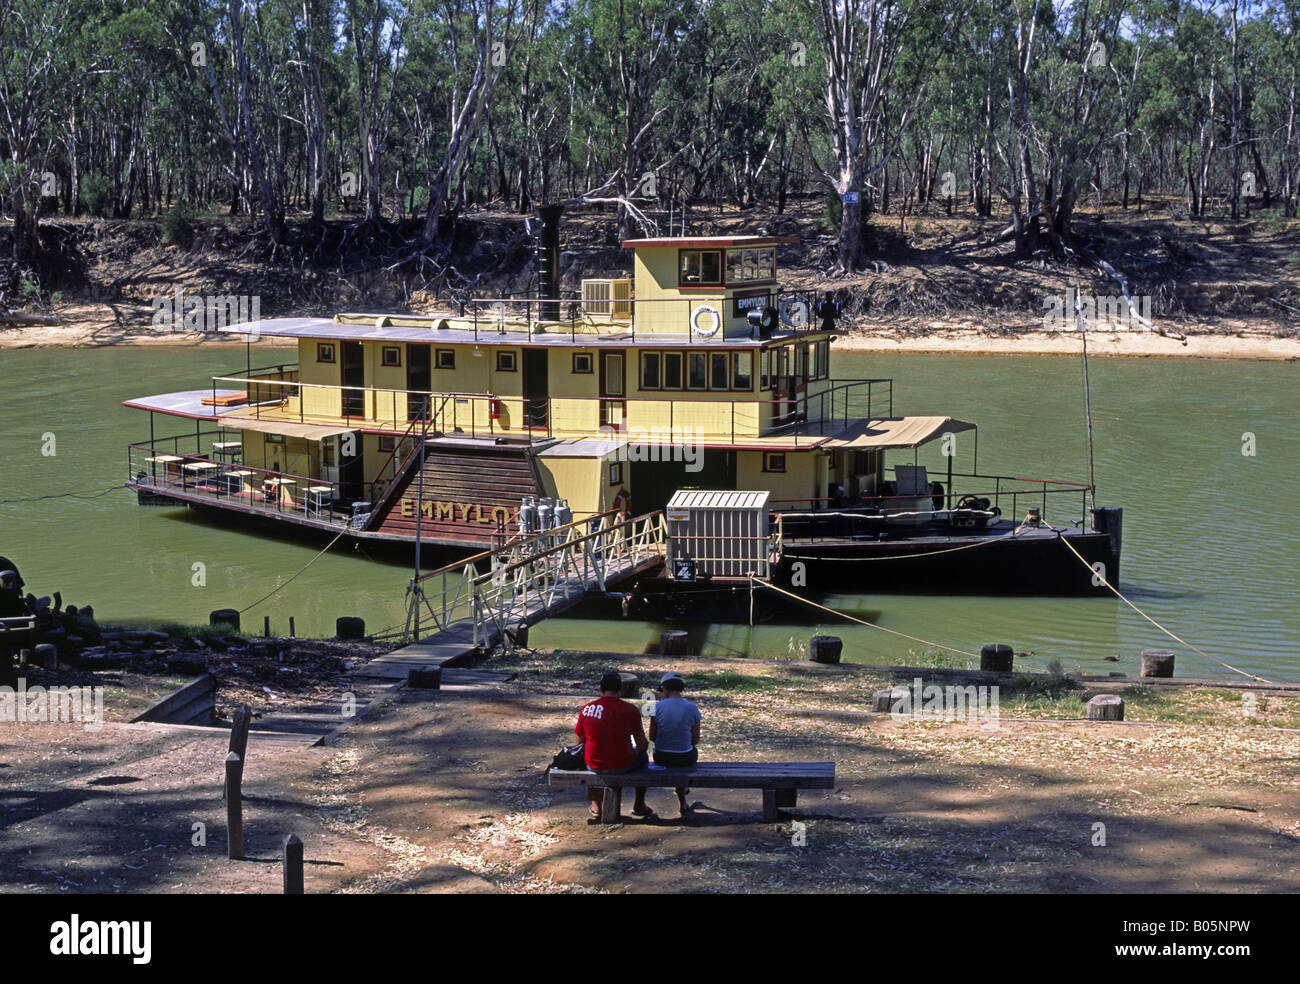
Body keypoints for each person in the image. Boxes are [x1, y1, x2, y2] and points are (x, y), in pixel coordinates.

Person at [574, 671, 653, 819]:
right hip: (623, 764)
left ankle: (596, 804)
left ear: (600, 689)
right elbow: (641, 744)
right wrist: (637, 751)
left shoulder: (587, 709)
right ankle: (639, 803)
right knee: (643, 757)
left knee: (589, 754)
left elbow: (579, 741)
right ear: (620, 690)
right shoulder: (630, 710)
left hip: (595, 764)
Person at [648, 672, 701, 817]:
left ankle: (682, 797)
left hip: (662, 757)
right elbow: (695, 740)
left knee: (674, 755)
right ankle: (682, 797)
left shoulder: (657, 707)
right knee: (688, 752)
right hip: (685, 758)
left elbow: (652, 736)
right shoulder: (692, 708)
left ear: (665, 688)